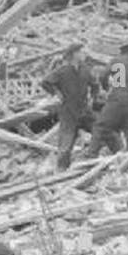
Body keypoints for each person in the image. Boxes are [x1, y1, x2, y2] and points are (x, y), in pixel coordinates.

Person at [40, 41, 96, 170]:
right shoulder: (62, 71)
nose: (84, 54)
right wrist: (57, 93)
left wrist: (93, 97)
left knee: (103, 130)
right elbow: (45, 82)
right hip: (68, 110)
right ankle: (61, 169)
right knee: (66, 142)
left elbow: (95, 84)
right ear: (74, 54)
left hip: (84, 109)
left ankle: (121, 156)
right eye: (82, 51)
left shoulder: (85, 70)